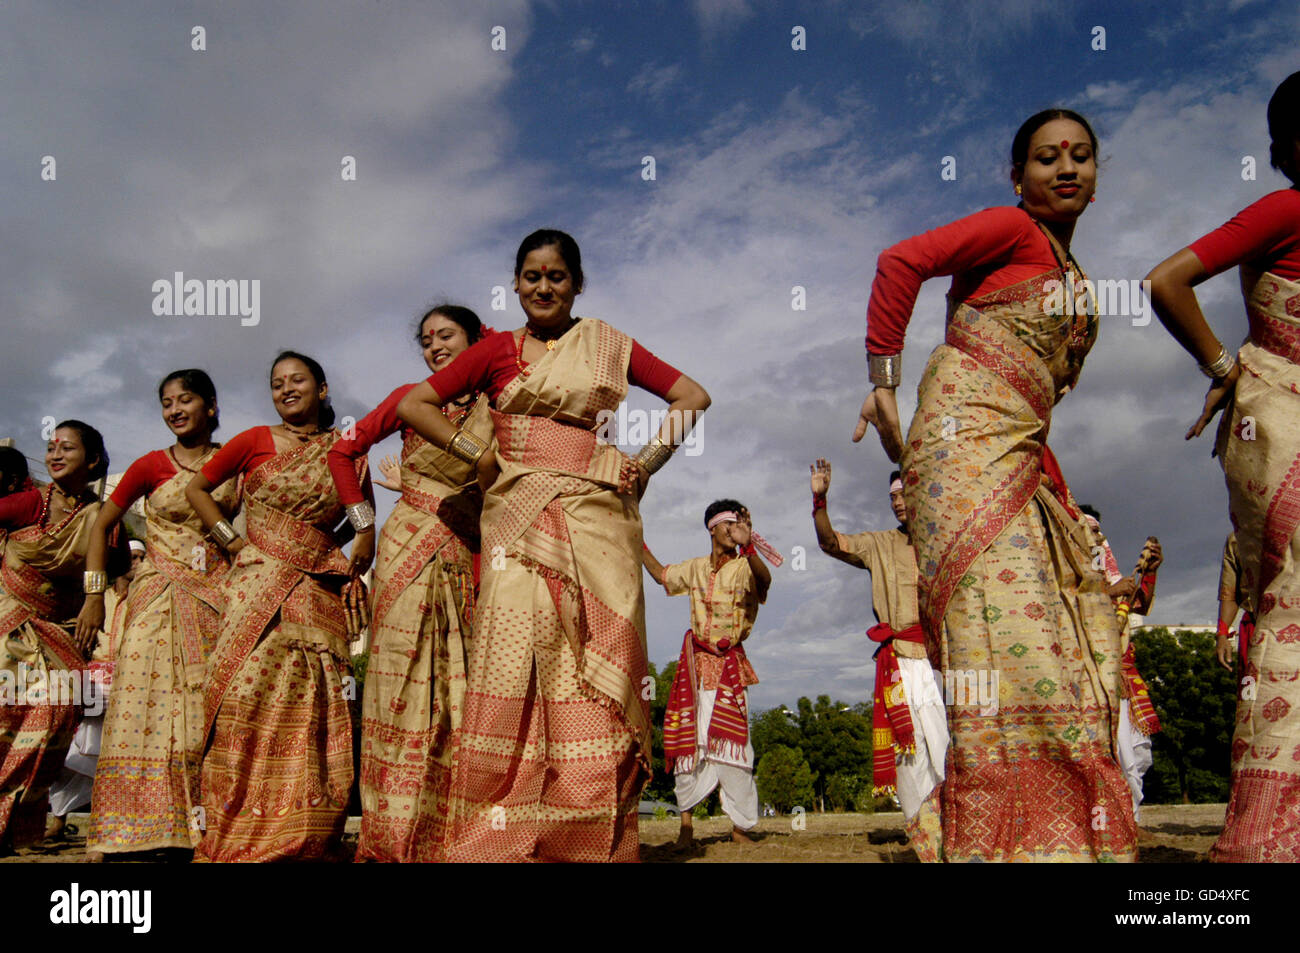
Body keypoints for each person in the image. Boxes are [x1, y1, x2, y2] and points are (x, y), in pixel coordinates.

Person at [856, 109, 1137, 862]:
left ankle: (1057, 827)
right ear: (1018, 177)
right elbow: (900, 260)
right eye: (1047, 158)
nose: (1066, 168)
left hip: (1021, 458)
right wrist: (884, 380)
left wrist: (1061, 497)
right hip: (961, 456)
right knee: (1002, 632)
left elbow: (1033, 404)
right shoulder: (1011, 232)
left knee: (1056, 638)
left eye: (1082, 156)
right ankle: (1005, 833)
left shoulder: (1073, 272)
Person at [397, 229, 710, 861]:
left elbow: (691, 396)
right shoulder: (493, 353)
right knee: (514, 662)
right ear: (515, 284)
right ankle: (501, 835)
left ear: (577, 284)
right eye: (532, 276)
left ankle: (589, 833)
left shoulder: (607, 345)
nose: (544, 286)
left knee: (599, 662)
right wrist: (478, 453)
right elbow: (416, 403)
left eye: (557, 276)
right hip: (515, 522)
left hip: (599, 521)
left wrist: (645, 463)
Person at [1146, 72, 1300, 863]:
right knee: (1290, 604)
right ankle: (1272, 834)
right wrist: (1221, 364)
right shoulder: (1284, 209)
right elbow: (1165, 281)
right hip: (1276, 418)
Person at [186, 352, 372, 862]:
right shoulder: (253, 441)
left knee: (312, 705)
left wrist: (355, 544)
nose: (286, 389)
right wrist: (232, 542)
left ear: (323, 388)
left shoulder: (346, 450)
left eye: (297, 380)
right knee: (243, 699)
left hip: (315, 590)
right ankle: (234, 830)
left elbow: (360, 512)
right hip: (255, 584)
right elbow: (197, 489)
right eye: (277, 384)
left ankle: (303, 832)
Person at [327, 305, 493, 862]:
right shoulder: (408, 395)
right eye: (426, 340)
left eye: (446, 336)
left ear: (477, 340)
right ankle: (393, 835)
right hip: (406, 550)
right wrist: (364, 529)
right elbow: (344, 450)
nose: (434, 348)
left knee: (462, 692)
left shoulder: (504, 405)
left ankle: (457, 836)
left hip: (472, 554)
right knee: (398, 687)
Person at [78, 370, 239, 857]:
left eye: (184, 400)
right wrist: (93, 594)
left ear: (210, 405)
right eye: (166, 403)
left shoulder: (234, 460)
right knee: (138, 709)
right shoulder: (150, 464)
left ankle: (201, 826)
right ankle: (122, 829)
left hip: (215, 596)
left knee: (202, 710)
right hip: (155, 600)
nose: (174, 410)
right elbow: (102, 524)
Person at [0, 423, 127, 852]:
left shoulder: (102, 516)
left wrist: (104, 597)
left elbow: (121, 563)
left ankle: (12, 819)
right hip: (8, 624)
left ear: (91, 460)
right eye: (50, 448)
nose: (54, 455)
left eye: (66, 449)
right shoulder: (27, 504)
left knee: (57, 708)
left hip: (60, 629)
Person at [810, 461, 947, 826]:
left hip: (942, 659)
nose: (898, 502)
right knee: (910, 749)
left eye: (905, 494)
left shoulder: (948, 541)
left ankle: (958, 825)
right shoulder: (880, 544)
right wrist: (820, 502)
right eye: (893, 497)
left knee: (946, 743)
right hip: (899, 660)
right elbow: (830, 542)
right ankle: (921, 829)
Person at [643, 501, 776, 846]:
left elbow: (765, 580)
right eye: (729, 523)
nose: (734, 529)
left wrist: (749, 546)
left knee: (736, 749)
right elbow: (661, 575)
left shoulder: (745, 566)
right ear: (713, 529)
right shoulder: (696, 568)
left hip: (731, 669)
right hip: (696, 669)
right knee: (690, 746)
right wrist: (635, 539)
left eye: (739, 523)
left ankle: (740, 828)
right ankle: (686, 826)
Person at [47, 540, 144, 850]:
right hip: (94, 678)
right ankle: (58, 818)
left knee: (117, 757)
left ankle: (110, 827)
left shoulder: (147, 598)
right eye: (133, 557)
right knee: (75, 751)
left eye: (142, 558)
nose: (137, 563)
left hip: (132, 681)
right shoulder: (95, 598)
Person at [1074, 502, 1163, 818]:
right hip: (1090, 672)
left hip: (1122, 668)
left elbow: (1135, 604)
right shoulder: (1067, 564)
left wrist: (1148, 572)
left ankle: (1129, 822)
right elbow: (1070, 603)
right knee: (1110, 754)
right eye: (1091, 530)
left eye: (1100, 531)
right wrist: (1110, 593)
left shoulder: (1099, 563)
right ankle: (1115, 823)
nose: (1098, 536)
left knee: (1134, 756)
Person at [1216, 533, 1252, 675]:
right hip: (1256, 628)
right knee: (1251, 692)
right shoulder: (1238, 538)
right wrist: (1222, 634)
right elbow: (1229, 592)